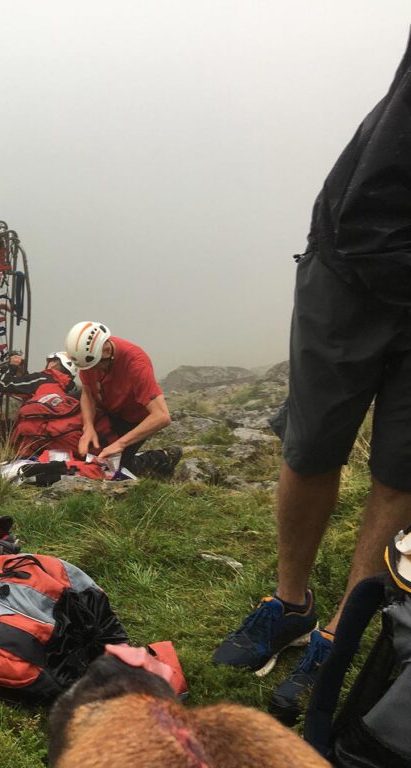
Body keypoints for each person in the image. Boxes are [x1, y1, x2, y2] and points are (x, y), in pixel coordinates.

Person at [212, 33, 411, 724]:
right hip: (354, 253)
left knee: (402, 474)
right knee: (311, 448)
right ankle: (291, 605)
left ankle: (336, 638)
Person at [65, 321, 176, 475]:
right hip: (105, 405)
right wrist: (88, 427)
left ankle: (161, 458)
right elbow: (88, 392)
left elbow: (162, 416)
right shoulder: (90, 359)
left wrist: (120, 444)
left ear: (107, 350)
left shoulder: (136, 364)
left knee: (111, 468)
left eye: (97, 366)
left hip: (132, 418)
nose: (94, 371)